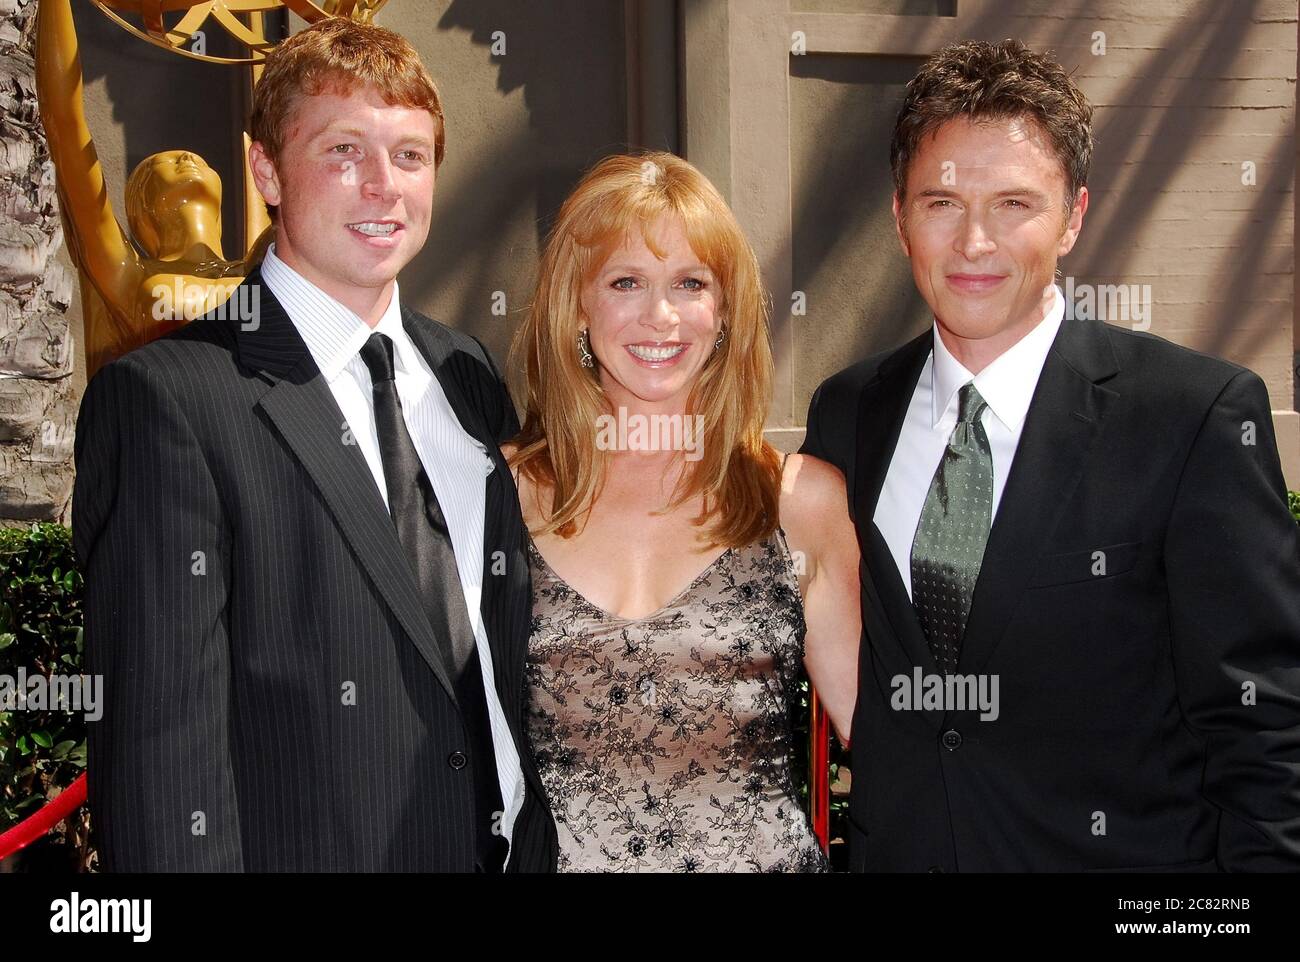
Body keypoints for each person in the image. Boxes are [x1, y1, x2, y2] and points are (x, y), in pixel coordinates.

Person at [802, 38, 1300, 872]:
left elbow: (1266, 734)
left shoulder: (1191, 417)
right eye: (941, 203)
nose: (974, 244)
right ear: (899, 217)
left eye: (1014, 205)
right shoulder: (848, 412)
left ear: (1073, 217)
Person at [72, 17, 557, 872]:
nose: (384, 187)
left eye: (409, 156)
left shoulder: (469, 378)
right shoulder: (169, 402)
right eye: (343, 151)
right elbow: (159, 761)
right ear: (265, 169)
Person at [505, 151, 861, 872]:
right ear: (577, 305)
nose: (660, 316)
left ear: (724, 311)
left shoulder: (800, 500)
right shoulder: (501, 492)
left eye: (691, 283)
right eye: (626, 281)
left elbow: (892, 749)